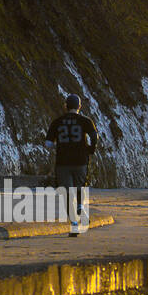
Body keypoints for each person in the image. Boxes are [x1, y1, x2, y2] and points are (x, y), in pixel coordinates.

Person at [45, 93, 98, 235]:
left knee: (67, 194)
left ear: (65, 106)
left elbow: (48, 143)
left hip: (63, 162)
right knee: (80, 186)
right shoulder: (86, 121)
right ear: (79, 106)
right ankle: (80, 206)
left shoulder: (57, 122)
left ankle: (74, 223)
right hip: (80, 160)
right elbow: (94, 136)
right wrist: (90, 149)